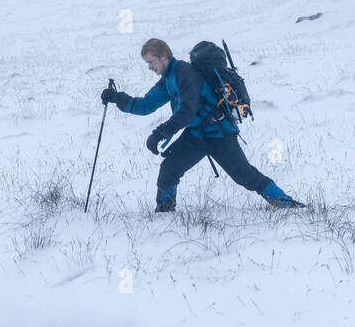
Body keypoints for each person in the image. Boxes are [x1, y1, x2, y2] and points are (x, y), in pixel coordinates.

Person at [101, 37, 304, 214]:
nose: (150, 67)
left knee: (245, 175)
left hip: (219, 133)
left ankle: (287, 204)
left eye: (151, 62)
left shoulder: (185, 73)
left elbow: (187, 113)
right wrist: (117, 98)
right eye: (147, 63)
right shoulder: (168, 78)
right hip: (196, 136)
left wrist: (159, 133)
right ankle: (164, 214)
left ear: (163, 56)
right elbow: (146, 105)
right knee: (169, 169)